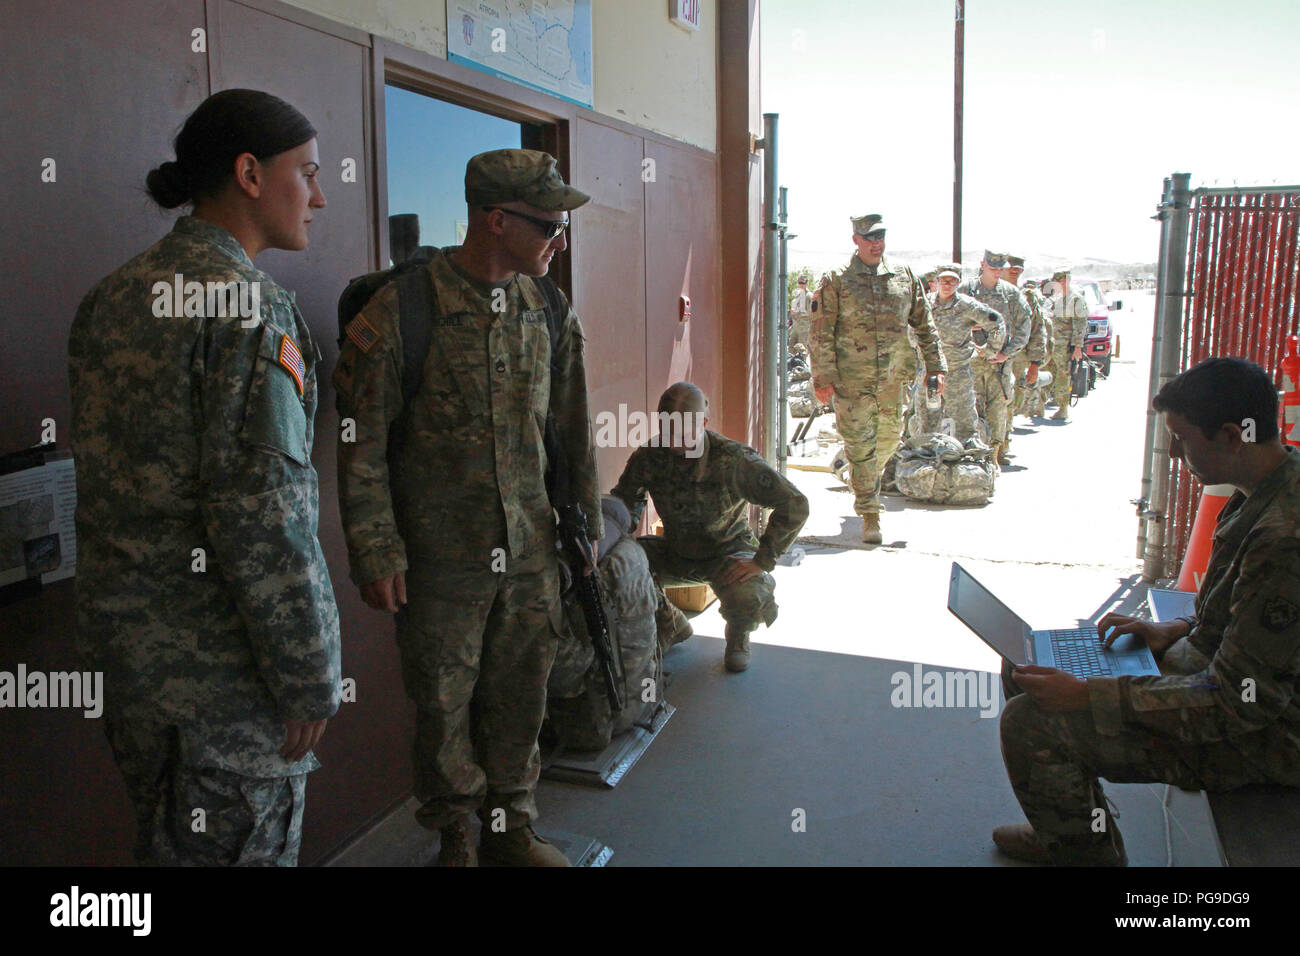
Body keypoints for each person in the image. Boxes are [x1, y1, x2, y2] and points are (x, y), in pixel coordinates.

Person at [67, 89, 341, 866]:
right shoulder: (252, 312)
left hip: (134, 673)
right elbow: (265, 518)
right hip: (229, 685)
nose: (318, 197)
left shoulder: (111, 298)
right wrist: (311, 676)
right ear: (250, 174)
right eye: (308, 173)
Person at [334, 149, 601, 867]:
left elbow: (573, 430)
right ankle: (456, 835)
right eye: (549, 224)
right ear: (495, 219)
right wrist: (375, 549)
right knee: (443, 707)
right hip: (439, 562)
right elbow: (360, 440)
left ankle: (512, 826)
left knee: (522, 695)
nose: (560, 240)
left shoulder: (546, 306)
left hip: (532, 551)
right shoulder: (405, 310)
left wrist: (585, 531)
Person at [993, 357, 1300, 865]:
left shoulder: (1284, 539)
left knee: (1031, 721)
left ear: (1229, 436)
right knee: (1026, 663)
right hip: (1224, 678)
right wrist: (1174, 629)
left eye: (1183, 439)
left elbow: (1241, 703)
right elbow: (1241, 620)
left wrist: (1091, 696)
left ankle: (1083, 854)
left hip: (1270, 735)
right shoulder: (1269, 488)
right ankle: (1070, 826)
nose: (1177, 454)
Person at [611, 383, 809, 672]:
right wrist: (610, 537)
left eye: (683, 433)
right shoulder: (650, 455)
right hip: (676, 552)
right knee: (621, 564)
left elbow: (795, 504)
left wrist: (762, 560)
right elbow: (625, 502)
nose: (675, 442)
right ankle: (671, 624)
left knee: (750, 595)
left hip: (727, 555)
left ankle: (738, 634)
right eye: (668, 432)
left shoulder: (732, 459)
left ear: (704, 422)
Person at [810, 214, 945, 544]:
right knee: (859, 443)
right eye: (868, 237)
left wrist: (936, 365)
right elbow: (820, 331)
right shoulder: (837, 280)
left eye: (880, 236)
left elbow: (924, 324)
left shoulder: (903, 276)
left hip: (892, 379)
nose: (876, 242)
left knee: (887, 440)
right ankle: (870, 510)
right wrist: (822, 377)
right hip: (850, 381)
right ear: (855, 239)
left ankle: (859, 474)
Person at [958, 250, 1031, 467]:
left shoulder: (1010, 293)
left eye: (1001, 269)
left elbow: (1024, 325)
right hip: (971, 364)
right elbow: (951, 319)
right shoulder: (967, 290)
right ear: (983, 265)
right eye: (993, 268)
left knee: (998, 409)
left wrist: (1007, 353)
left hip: (999, 366)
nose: (997, 273)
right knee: (971, 409)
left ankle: (996, 453)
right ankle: (975, 454)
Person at [924, 264, 1005, 442]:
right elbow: (912, 326)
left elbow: (997, 323)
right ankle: (934, 455)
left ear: (958, 283)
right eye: (943, 280)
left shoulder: (967, 306)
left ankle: (960, 457)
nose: (947, 284)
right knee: (928, 418)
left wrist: (990, 350)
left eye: (952, 281)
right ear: (936, 282)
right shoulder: (925, 303)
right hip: (929, 371)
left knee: (961, 421)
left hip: (957, 372)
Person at [1001, 255, 1049, 426]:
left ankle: (1002, 441)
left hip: (1018, 361)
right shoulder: (989, 292)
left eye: (1019, 268)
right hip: (991, 359)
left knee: (1014, 401)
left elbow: (1037, 331)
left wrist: (1035, 364)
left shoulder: (1027, 298)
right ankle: (998, 444)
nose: (1015, 270)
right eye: (1011, 267)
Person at [1047, 269, 1088, 421]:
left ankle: (1063, 409)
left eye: (1060, 281)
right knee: (1053, 373)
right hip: (1053, 344)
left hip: (1066, 346)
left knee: (1064, 374)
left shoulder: (1075, 299)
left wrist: (1078, 347)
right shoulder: (1057, 299)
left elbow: (1080, 324)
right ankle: (1055, 398)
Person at [789, 274, 814, 349]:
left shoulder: (809, 296)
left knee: (802, 350)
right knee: (791, 349)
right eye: (800, 283)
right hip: (795, 326)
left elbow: (811, 312)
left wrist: (798, 313)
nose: (801, 285)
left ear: (806, 283)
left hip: (804, 327)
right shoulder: (797, 295)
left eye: (803, 283)